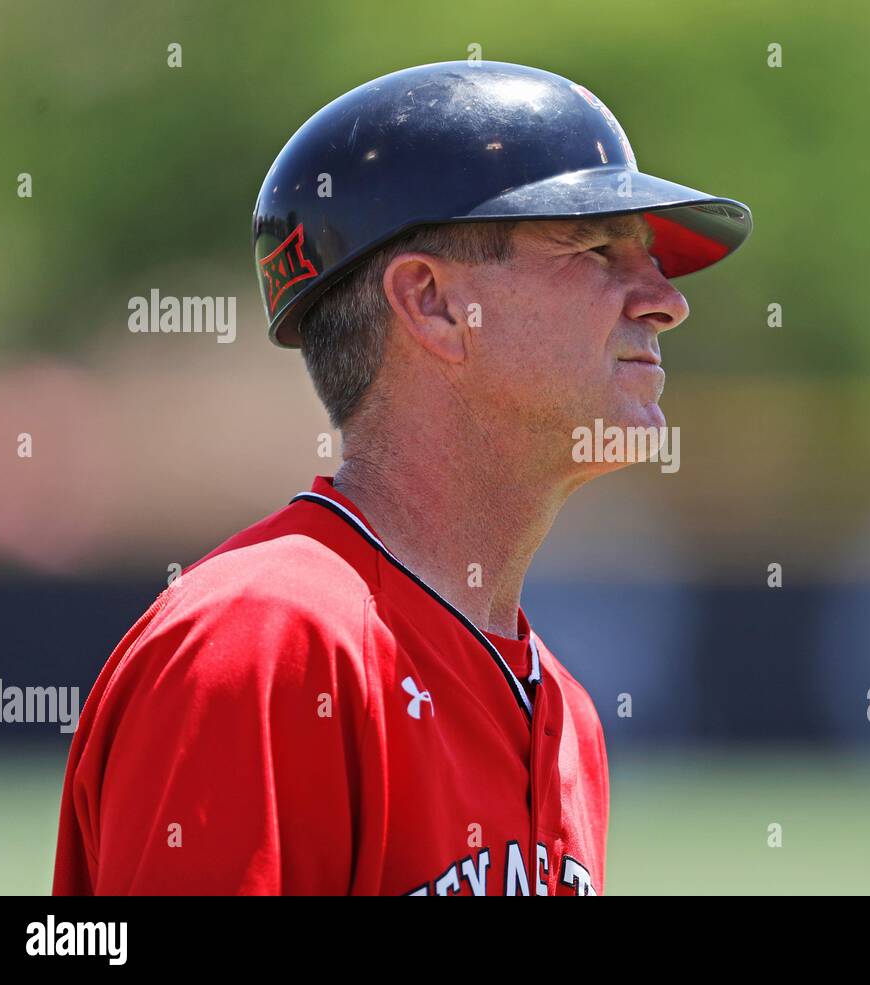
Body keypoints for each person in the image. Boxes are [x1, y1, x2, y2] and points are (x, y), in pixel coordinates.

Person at [52, 60, 751, 895]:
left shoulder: (565, 711)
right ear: (431, 303)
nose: (665, 300)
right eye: (597, 247)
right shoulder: (265, 644)